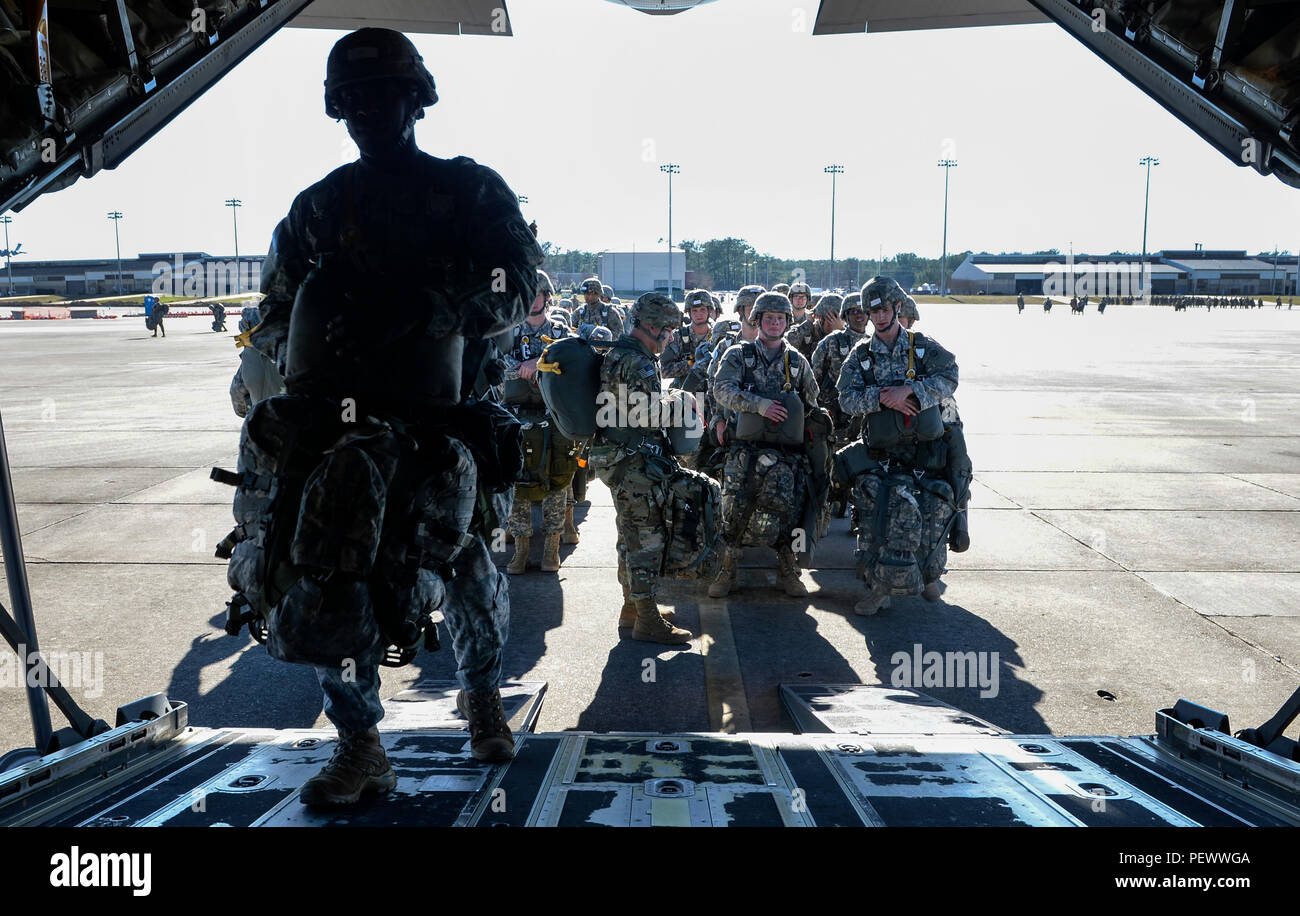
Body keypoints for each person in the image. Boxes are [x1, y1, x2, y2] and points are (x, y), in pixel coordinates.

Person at [245, 27, 543, 804]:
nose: (368, 113)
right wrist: (317, 345)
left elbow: (519, 284)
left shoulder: (468, 192)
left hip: (448, 417)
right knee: (329, 568)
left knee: (470, 567)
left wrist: (441, 311)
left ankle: (480, 694)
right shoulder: (319, 208)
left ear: (415, 101)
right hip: (341, 425)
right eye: (352, 102)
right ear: (338, 110)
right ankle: (360, 743)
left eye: (383, 97)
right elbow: (274, 311)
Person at [837, 277, 964, 616]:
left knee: (934, 508)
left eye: (884, 309)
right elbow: (846, 399)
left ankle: (928, 572)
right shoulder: (861, 356)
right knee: (877, 518)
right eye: (872, 311)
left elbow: (950, 375)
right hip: (884, 456)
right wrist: (882, 399)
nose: (878, 316)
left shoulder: (922, 348)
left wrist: (911, 393)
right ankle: (879, 588)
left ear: (896, 308)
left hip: (925, 454)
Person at [591, 292, 694, 644]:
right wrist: (680, 402)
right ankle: (647, 619)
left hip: (617, 459)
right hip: (633, 464)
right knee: (646, 540)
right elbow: (646, 414)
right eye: (666, 331)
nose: (668, 338)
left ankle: (632, 608)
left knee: (629, 534)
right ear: (651, 326)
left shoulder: (619, 353)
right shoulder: (639, 363)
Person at [708, 292, 819, 599]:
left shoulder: (797, 362)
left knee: (789, 508)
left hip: (785, 453)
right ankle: (727, 568)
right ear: (756, 321)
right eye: (768, 318)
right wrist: (759, 405)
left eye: (780, 318)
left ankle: (787, 567)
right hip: (744, 449)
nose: (774, 323)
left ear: (787, 322)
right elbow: (721, 390)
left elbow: (812, 402)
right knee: (734, 507)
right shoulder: (738, 355)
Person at [503, 270, 578, 574]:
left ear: (547, 297)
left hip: (553, 417)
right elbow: (499, 363)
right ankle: (521, 548)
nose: (531, 300)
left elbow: (574, 363)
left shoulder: (561, 332)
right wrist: (522, 367)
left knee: (557, 481)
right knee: (517, 481)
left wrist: (539, 363)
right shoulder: (509, 332)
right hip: (517, 415)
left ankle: (551, 547)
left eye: (536, 293)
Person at [811, 292, 869, 525]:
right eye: (854, 311)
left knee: (863, 470)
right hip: (833, 419)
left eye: (863, 311)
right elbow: (812, 380)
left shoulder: (873, 344)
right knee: (824, 469)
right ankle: (823, 510)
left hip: (863, 419)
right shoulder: (830, 342)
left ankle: (859, 512)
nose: (859, 316)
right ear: (846, 315)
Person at [229, 305, 285, 417]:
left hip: (263, 422)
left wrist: (250, 411)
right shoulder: (289, 348)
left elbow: (237, 394)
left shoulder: (249, 357)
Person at [661, 288, 714, 392]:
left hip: (711, 400)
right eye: (694, 310)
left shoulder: (718, 336)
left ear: (709, 311)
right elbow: (664, 371)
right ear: (688, 312)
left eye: (702, 309)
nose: (699, 314)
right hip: (685, 398)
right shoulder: (677, 337)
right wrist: (692, 363)